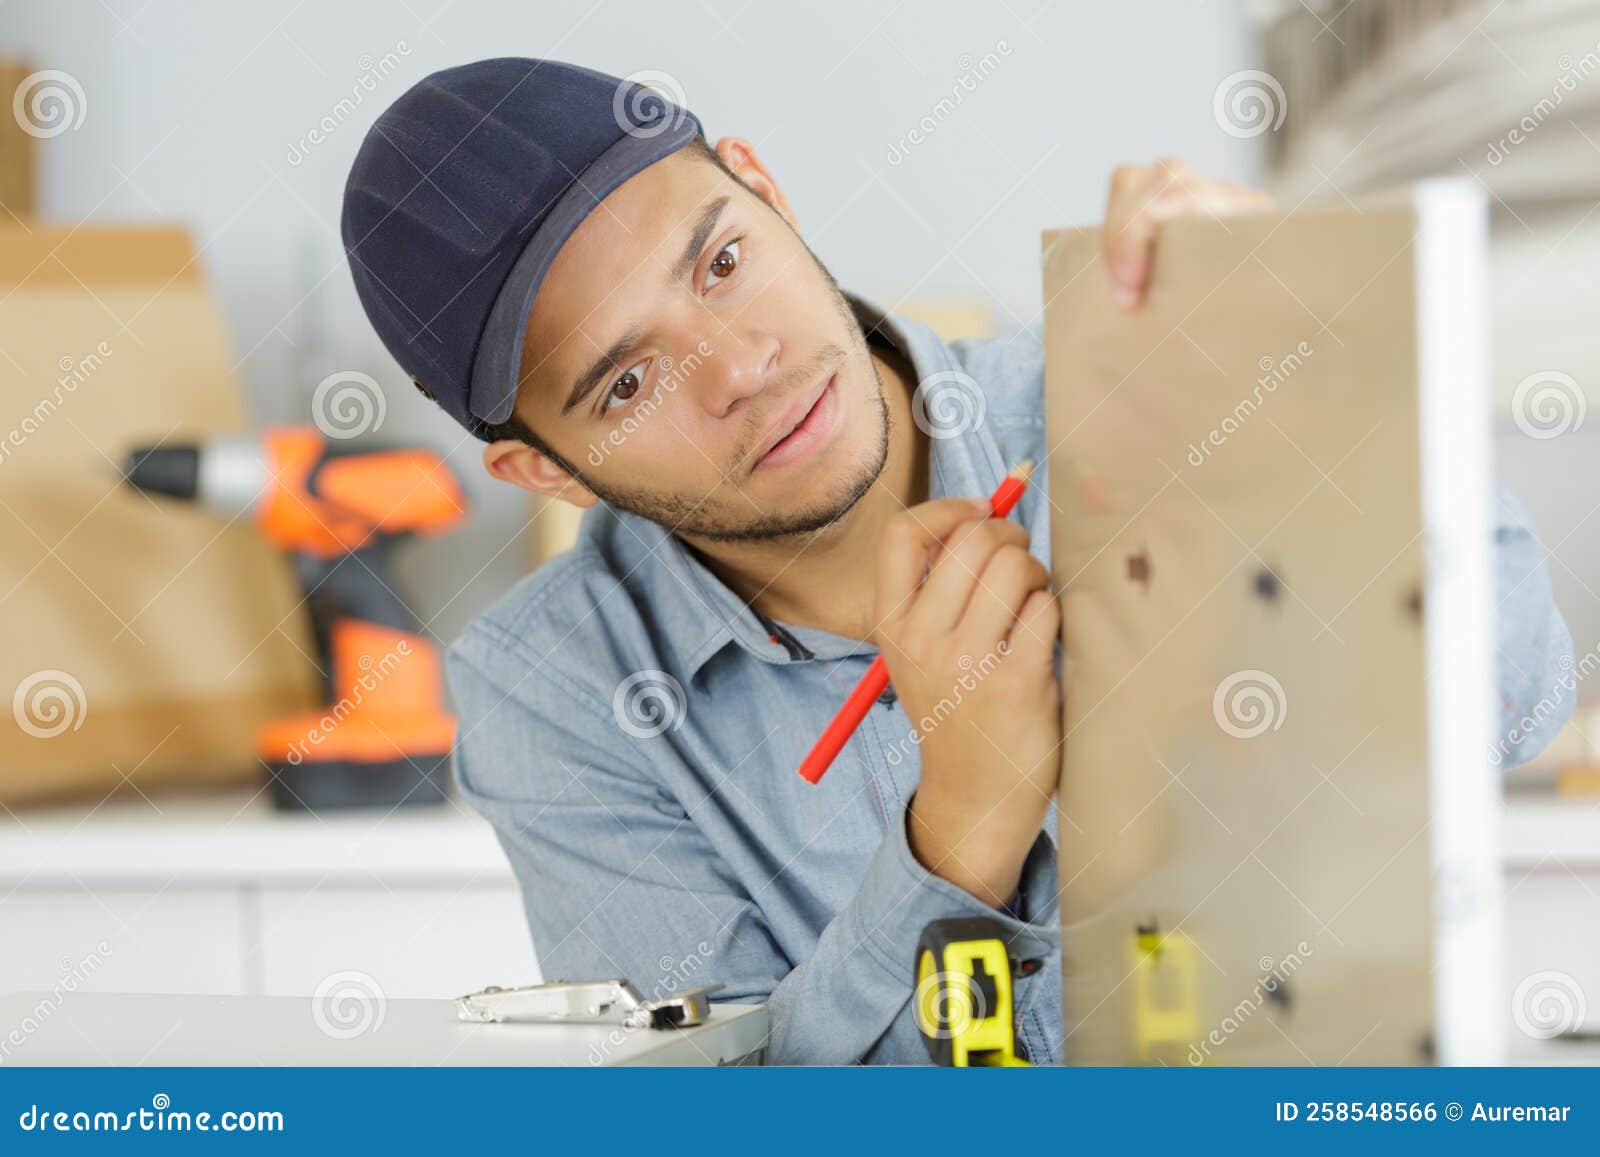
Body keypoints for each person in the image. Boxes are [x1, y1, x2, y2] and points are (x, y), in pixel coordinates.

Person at [341, 58, 1573, 1064]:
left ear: (763, 187)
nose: (739, 368)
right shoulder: (554, 691)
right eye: (626, 381)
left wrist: (1323, 374)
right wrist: (962, 825)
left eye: (720, 261)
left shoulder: (1140, 389)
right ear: (544, 470)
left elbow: (1512, 697)